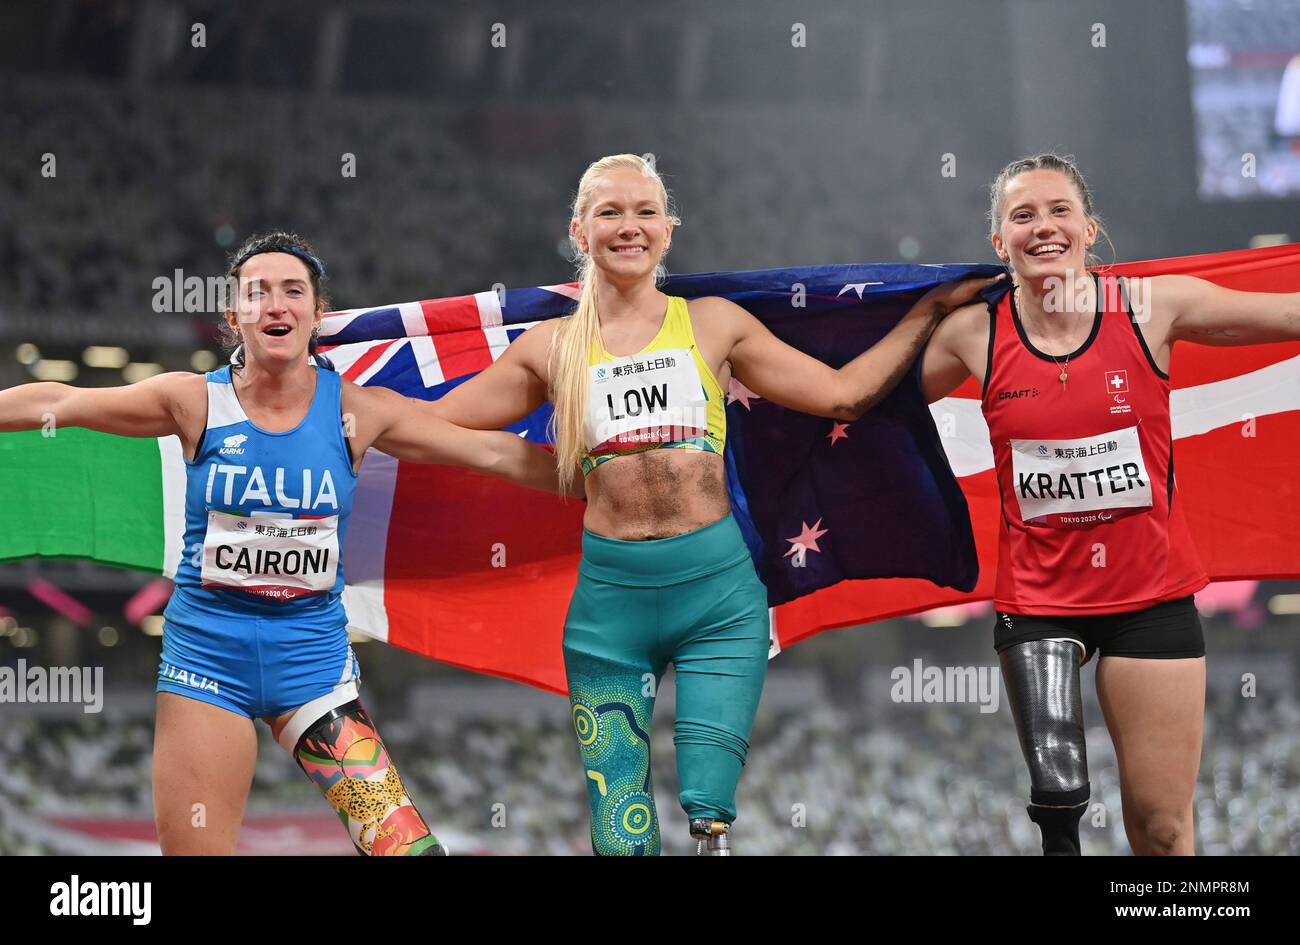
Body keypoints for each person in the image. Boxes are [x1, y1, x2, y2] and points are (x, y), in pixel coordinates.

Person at [430, 153, 995, 854]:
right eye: (610, 212)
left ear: (668, 229)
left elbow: (844, 394)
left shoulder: (714, 325)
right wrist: (329, 402)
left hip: (719, 602)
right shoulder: (551, 347)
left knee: (711, 816)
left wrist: (930, 308)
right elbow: (439, 425)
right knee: (620, 830)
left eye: (644, 212)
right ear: (579, 228)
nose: (628, 226)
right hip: (611, 608)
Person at [0, 232, 565, 855]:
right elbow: (59, 401)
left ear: (317, 313)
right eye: (257, 292)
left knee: (408, 851)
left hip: (314, 669)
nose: (276, 305)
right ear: (234, 315)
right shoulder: (194, 402)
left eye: (292, 291)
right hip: (207, 664)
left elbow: (487, 450)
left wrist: (606, 480)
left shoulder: (357, 411)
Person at [921, 153, 1300, 855]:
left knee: (1160, 828)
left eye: (1060, 210)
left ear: (1090, 228)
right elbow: (860, 402)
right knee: (1059, 819)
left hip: (1151, 596)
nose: (1044, 227)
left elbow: (1287, 312)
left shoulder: (1152, 308)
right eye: (1022, 215)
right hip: (1039, 603)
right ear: (998, 243)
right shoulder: (974, 333)